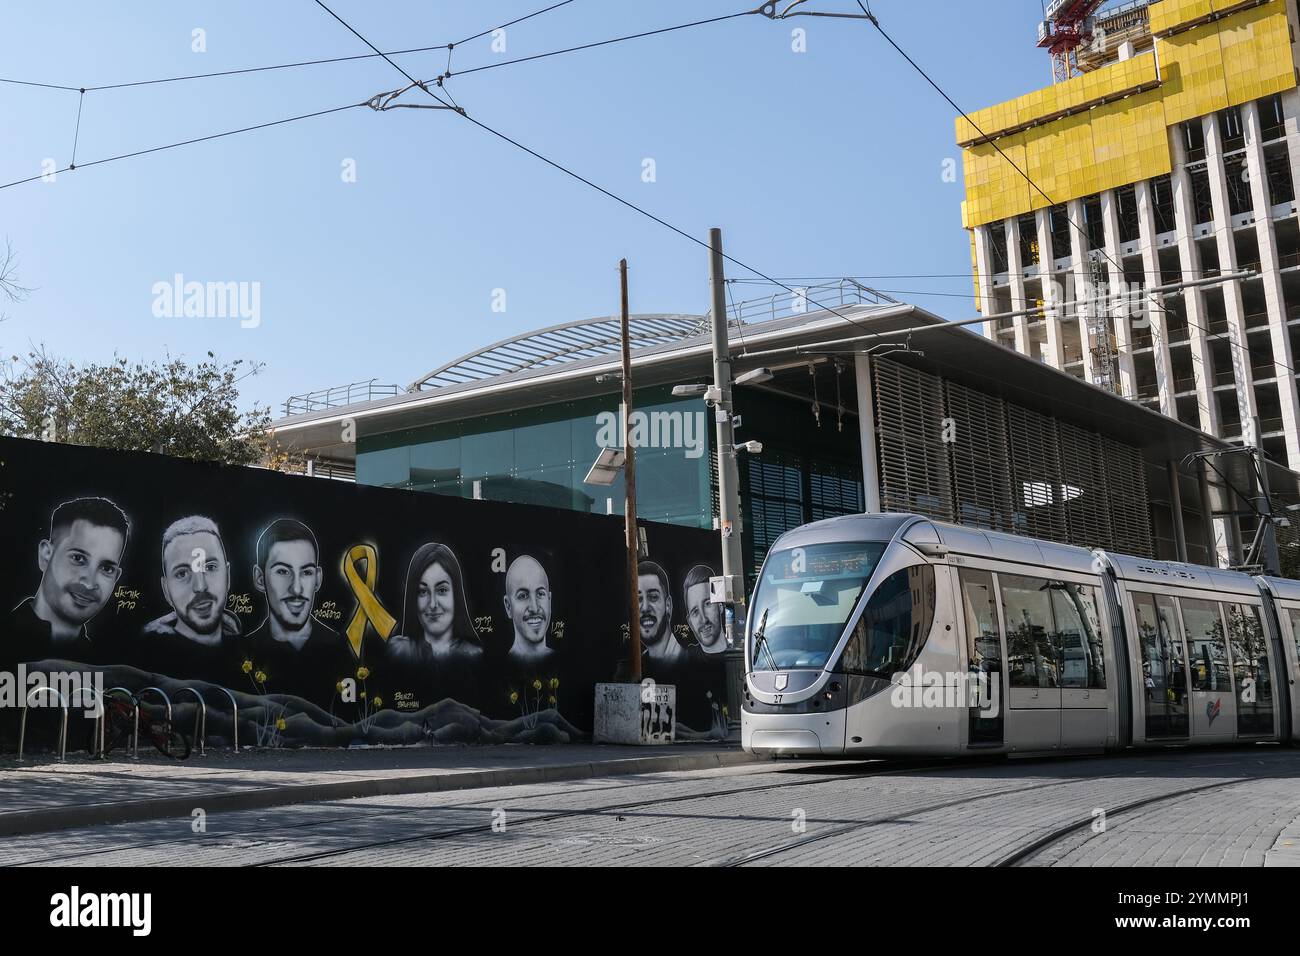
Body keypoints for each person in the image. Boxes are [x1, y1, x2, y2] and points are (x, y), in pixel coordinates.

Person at [240, 518, 352, 703]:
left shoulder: (338, 649)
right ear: (259, 578)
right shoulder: (246, 653)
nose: (297, 589)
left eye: (306, 572)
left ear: (317, 579)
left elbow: (351, 717)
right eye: (283, 571)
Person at [8, 497, 129, 666]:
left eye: (107, 568)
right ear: (45, 555)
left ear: (116, 577)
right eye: (78, 558)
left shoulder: (104, 667)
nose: (89, 583)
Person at [141, 516, 242, 678]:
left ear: (228, 576)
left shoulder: (247, 652)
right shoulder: (146, 661)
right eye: (182, 573)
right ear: (166, 590)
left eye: (210, 567)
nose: (200, 586)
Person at [502, 555, 553, 667]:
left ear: (549, 601)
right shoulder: (498, 669)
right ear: (508, 606)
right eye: (523, 596)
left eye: (540, 594)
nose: (534, 608)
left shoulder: (568, 664)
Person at [639, 560, 684, 668]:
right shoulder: (640, 665)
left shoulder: (687, 663)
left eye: (653, 597)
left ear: (668, 605)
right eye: (638, 599)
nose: (645, 608)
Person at [682, 565, 725, 655]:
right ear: (690, 622)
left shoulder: (741, 651)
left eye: (707, 604)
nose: (704, 620)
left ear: (720, 606)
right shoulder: (685, 659)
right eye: (695, 611)